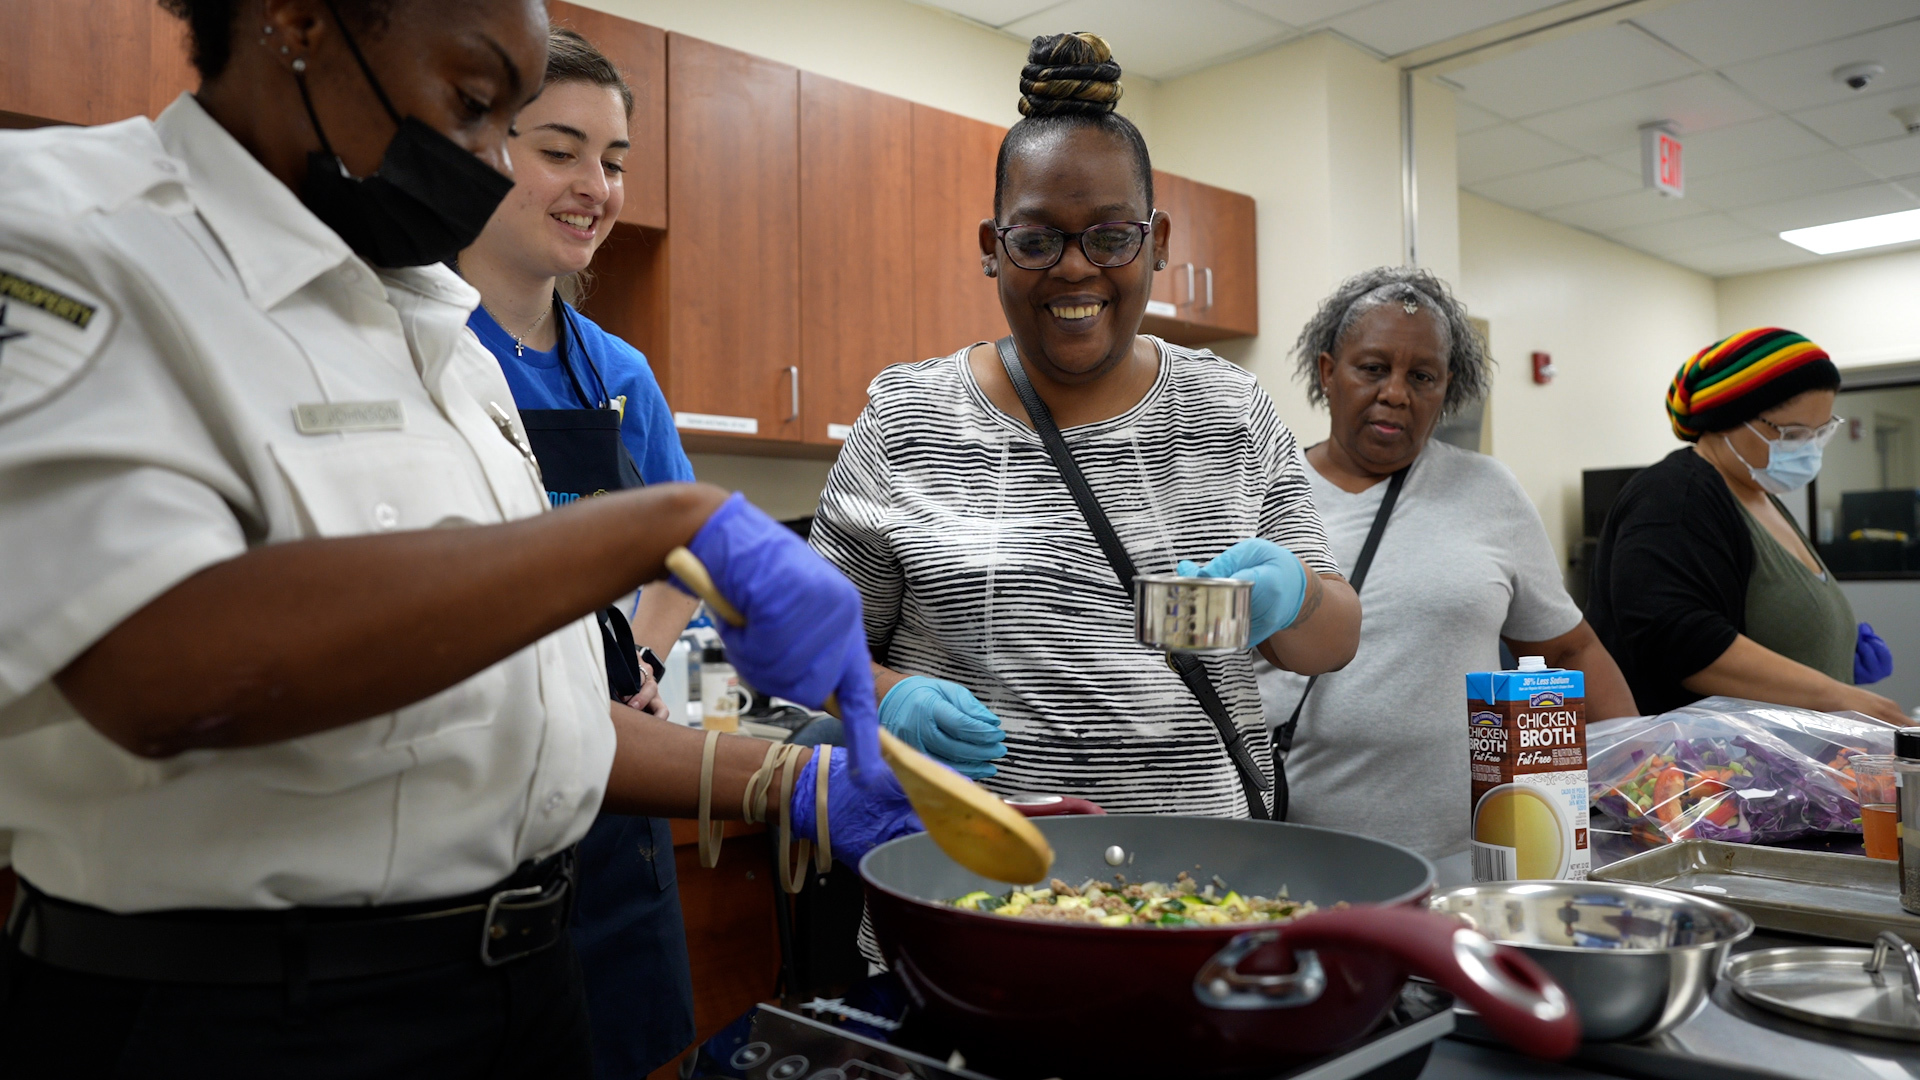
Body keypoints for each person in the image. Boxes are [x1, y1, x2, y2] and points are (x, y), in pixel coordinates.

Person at [0, 1, 913, 1075]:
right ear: (300, 23)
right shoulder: (66, 227)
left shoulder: (431, 324)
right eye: (477, 106)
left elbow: (529, 714)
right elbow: (155, 664)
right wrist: (663, 526)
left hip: (524, 988)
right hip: (243, 1014)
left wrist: (784, 781)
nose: (487, 162)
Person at [809, 32, 1360, 820]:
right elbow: (810, 645)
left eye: (1110, 236)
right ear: (991, 250)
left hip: (1205, 891)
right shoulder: (907, 420)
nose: (1075, 268)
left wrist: (1297, 594)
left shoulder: (1231, 412)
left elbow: (1332, 642)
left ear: (1157, 242)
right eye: (1036, 240)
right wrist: (886, 695)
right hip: (975, 886)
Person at [453, 28, 699, 1078]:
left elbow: (688, 556)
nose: (596, 186)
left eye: (614, 160)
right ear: (478, 146)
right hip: (481, 803)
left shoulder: (618, 373)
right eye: (560, 150)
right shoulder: (420, 347)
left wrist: (639, 658)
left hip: (617, 808)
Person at [1259, 267, 1636, 875]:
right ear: (1329, 372)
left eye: (1423, 376)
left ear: (1447, 388)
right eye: (1373, 368)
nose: (1396, 393)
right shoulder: (1265, 490)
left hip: (1468, 862)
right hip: (1295, 854)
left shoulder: (1488, 490)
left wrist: (1639, 774)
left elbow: (1569, 648)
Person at [1589, 328, 1906, 726]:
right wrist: (1839, 695)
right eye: (1792, 434)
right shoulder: (1675, 498)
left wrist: (1831, 647)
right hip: (1707, 770)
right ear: (1725, 419)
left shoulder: (1757, 494)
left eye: (1821, 432)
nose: (1808, 448)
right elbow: (1679, 640)